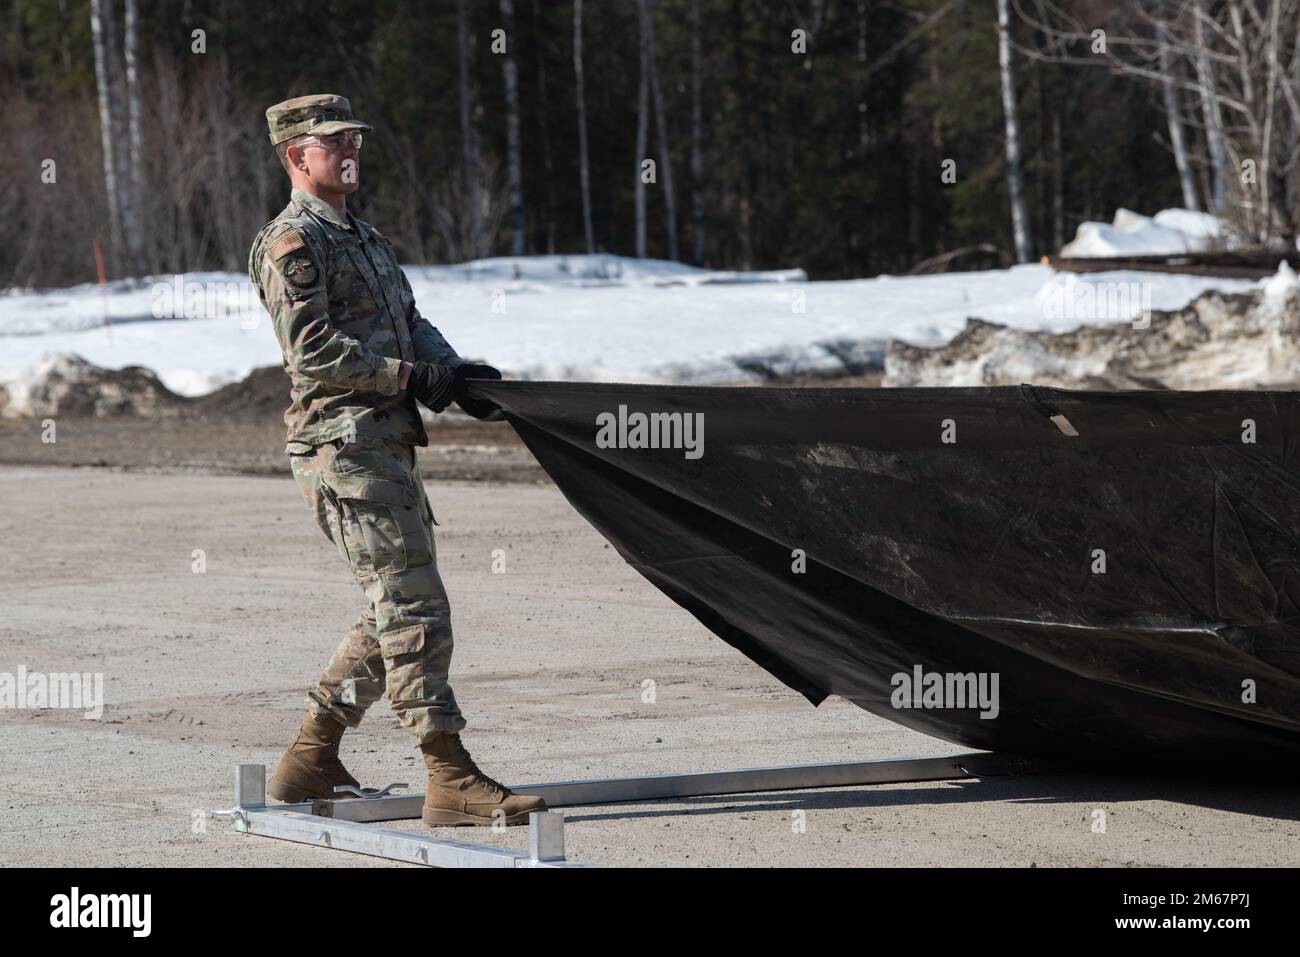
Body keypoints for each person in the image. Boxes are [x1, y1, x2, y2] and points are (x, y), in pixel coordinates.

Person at [247, 94, 544, 827]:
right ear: (296, 156)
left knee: (393, 607)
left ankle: (310, 756)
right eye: (332, 141)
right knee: (415, 608)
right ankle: (448, 775)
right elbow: (311, 350)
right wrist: (410, 379)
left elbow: (409, 323)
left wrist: (458, 374)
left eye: (355, 138)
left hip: (385, 444)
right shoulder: (291, 242)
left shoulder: (365, 238)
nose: (350, 151)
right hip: (343, 447)